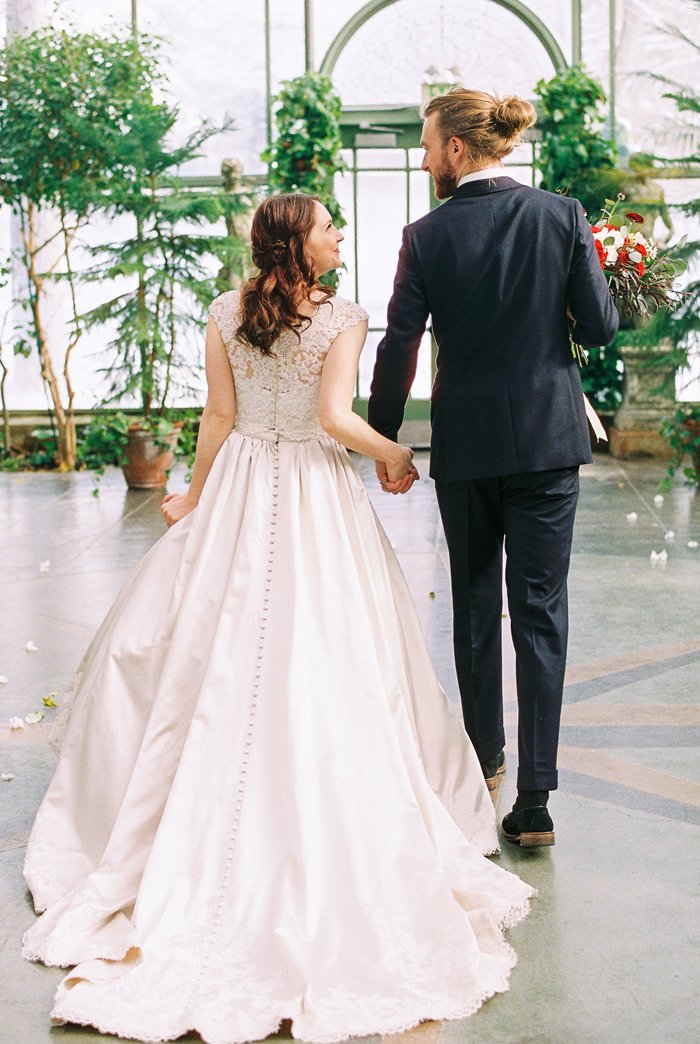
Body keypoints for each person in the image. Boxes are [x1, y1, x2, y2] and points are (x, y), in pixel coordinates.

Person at [23, 192, 535, 1043]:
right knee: (325, 646)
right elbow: (334, 421)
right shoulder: (344, 316)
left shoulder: (227, 310)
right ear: (301, 243)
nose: (341, 235)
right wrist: (397, 452)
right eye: (332, 226)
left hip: (239, 487)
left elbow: (219, 418)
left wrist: (194, 489)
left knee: (213, 642)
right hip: (310, 490)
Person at [368, 88, 619, 849]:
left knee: (476, 606)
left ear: (454, 150)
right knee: (541, 610)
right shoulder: (561, 215)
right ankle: (536, 801)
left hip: (470, 448)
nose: (421, 155)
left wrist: (384, 441)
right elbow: (602, 326)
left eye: (425, 142)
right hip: (548, 441)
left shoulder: (425, 235)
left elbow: (399, 346)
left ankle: (485, 764)